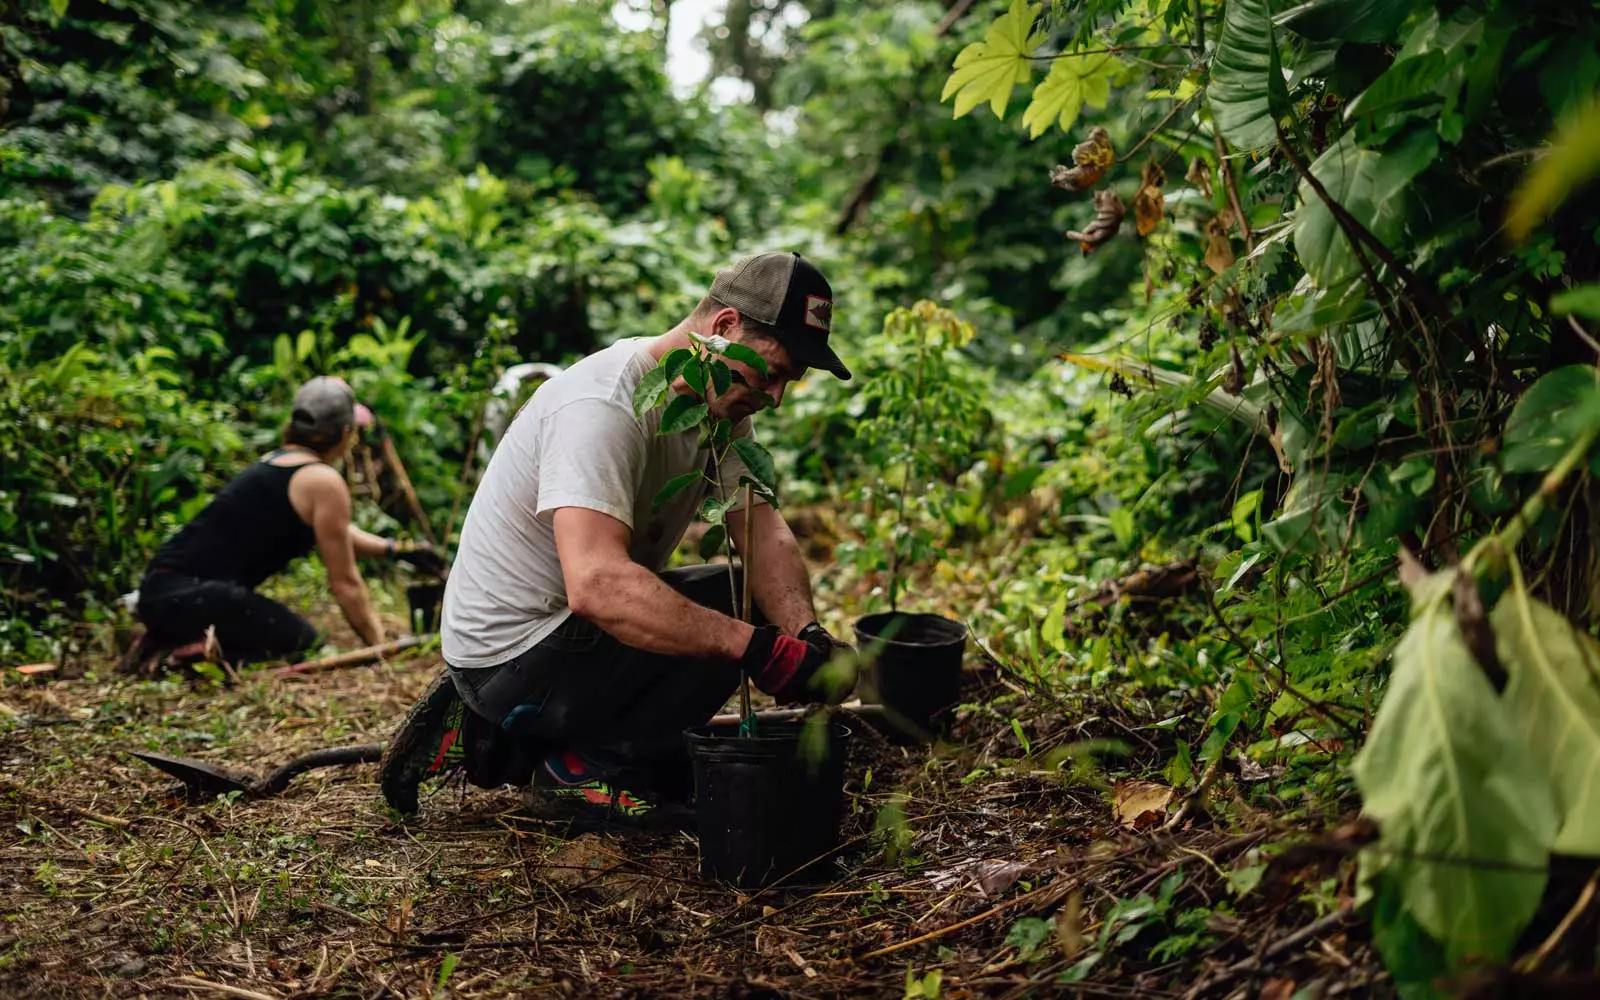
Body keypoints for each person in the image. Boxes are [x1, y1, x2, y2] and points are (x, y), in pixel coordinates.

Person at [380, 251, 856, 825]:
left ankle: (500, 732)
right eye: (772, 373)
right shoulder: (603, 405)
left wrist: (803, 632)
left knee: (743, 596)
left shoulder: (716, 404)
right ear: (724, 329)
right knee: (728, 629)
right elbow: (598, 585)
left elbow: (759, 523)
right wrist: (756, 649)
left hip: (562, 638)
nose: (776, 396)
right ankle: (578, 770)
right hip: (511, 653)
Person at [133, 376, 445, 667]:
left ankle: (173, 638)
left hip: (163, 592)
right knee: (303, 643)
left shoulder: (279, 462)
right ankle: (180, 653)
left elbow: (335, 533)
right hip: (194, 596)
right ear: (346, 433)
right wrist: (379, 650)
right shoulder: (323, 480)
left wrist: (399, 550)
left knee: (277, 630)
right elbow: (345, 583)